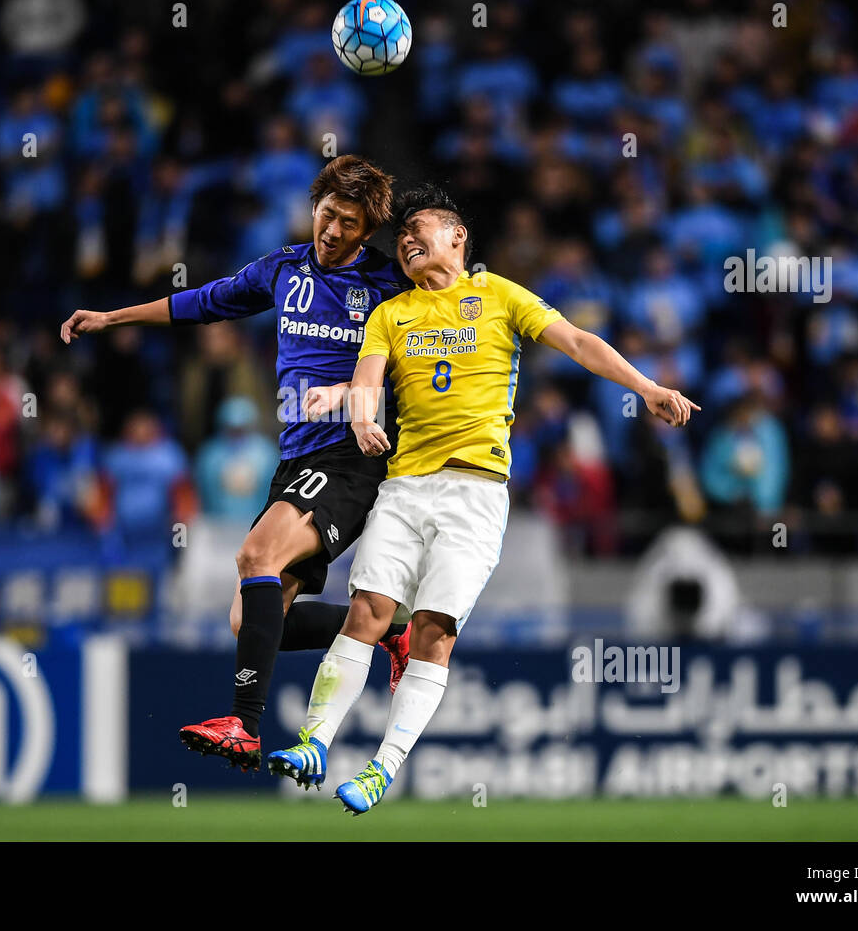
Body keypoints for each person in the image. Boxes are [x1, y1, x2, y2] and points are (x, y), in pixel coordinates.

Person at [268, 186, 699, 813]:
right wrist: (362, 418)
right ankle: (314, 741)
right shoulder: (393, 313)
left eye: (420, 229)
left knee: (432, 630)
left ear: (457, 236)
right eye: (402, 238)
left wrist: (646, 384)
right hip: (404, 487)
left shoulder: (499, 295)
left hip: (476, 491)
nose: (408, 242)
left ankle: (381, 769)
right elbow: (366, 378)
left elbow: (578, 342)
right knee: (367, 611)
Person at [60, 155, 412, 769]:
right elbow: (202, 302)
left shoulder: (389, 286)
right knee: (247, 616)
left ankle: (243, 726)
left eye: (349, 224)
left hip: (353, 457)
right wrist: (113, 316)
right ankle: (383, 625)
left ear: (366, 232)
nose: (333, 231)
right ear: (314, 208)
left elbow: (432, 350)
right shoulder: (281, 269)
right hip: (297, 460)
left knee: (255, 557)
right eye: (328, 214)